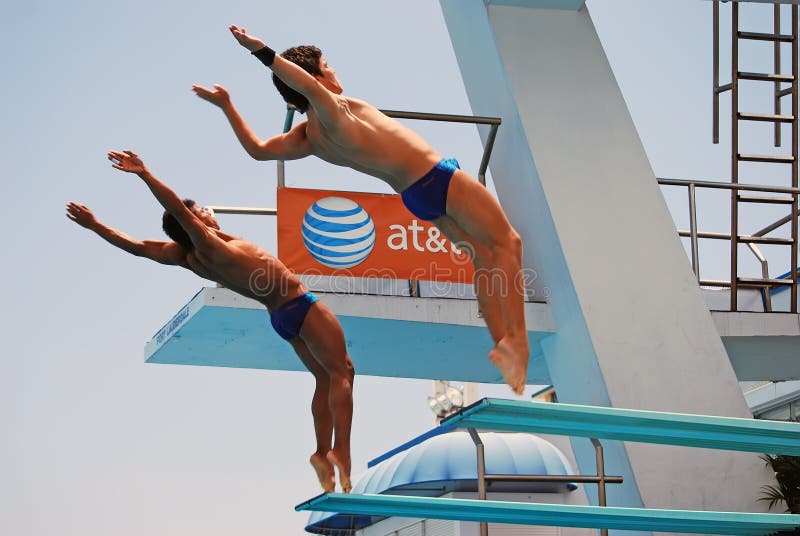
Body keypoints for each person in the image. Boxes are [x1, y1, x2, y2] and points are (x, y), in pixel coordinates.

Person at [191, 25, 529, 394]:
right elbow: (305, 85)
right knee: (507, 243)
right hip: (438, 178)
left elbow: (257, 149)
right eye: (327, 65)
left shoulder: (308, 138)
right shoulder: (332, 112)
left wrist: (226, 106)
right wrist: (261, 51)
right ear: (315, 76)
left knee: (480, 254)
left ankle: (501, 342)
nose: (334, 71)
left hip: (415, 195)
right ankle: (517, 342)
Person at [67, 150, 355, 493]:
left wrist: (95, 225)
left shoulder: (186, 256)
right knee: (343, 371)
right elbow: (176, 209)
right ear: (195, 223)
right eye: (201, 210)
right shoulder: (207, 246)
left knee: (324, 377)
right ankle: (342, 452)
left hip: (281, 318)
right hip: (298, 304)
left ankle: (322, 453)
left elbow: (138, 247)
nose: (207, 211)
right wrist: (144, 173)